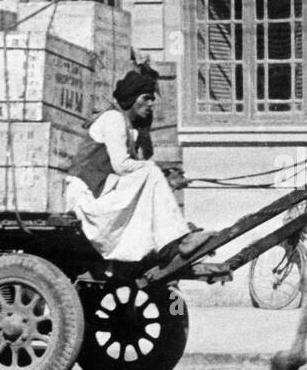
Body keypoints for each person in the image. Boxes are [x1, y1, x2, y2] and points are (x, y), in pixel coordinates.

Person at [65, 68, 212, 263]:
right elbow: (120, 166)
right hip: (87, 197)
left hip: (101, 191)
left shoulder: (127, 127)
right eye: (146, 98)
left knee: (152, 175)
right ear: (131, 98)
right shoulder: (113, 119)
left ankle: (173, 236)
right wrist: (154, 169)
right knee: (150, 172)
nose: (151, 104)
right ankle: (179, 239)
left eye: (152, 99)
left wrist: (163, 175)